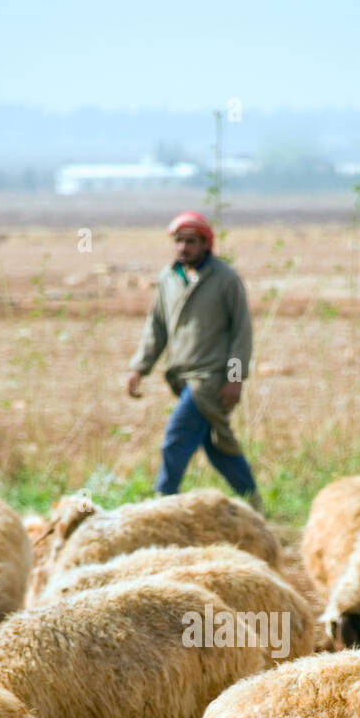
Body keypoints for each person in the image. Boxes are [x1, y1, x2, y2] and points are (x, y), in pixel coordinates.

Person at [127, 210, 263, 512]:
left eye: (190, 241)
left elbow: (242, 332)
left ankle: (161, 505)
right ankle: (253, 499)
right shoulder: (168, 278)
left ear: (206, 244)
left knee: (175, 440)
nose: (183, 248)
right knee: (217, 447)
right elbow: (157, 326)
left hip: (211, 379)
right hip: (182, 377)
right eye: (178, 241)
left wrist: (234, 378)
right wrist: (140, 367)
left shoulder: (226, 279)